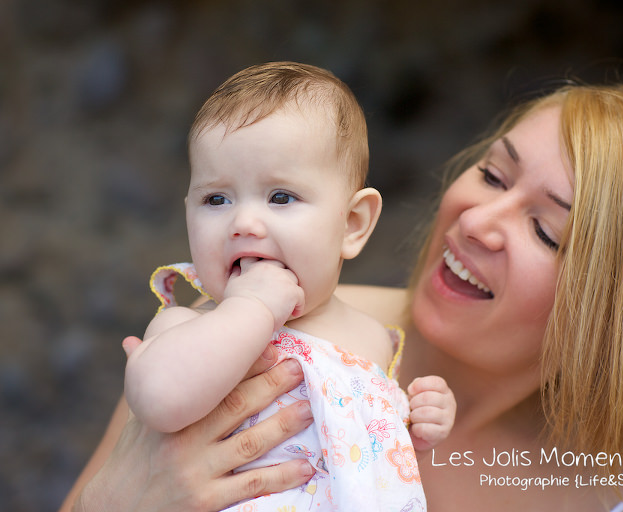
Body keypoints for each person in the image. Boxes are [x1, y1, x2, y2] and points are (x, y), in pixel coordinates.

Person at [59, 76, 623, 511]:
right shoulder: (235, 332)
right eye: (491, 175)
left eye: (545, 231)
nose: (476, 221)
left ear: (620, 309)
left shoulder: (617, 496)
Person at [121, 61, 455, 511]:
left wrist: (418, 424)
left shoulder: (374, 340)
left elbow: (367, 463)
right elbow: (160, 401)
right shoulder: (187, 327)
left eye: (281, 197)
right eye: (216, 199)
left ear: (352, 224)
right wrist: (253, 307)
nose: (243, 222)